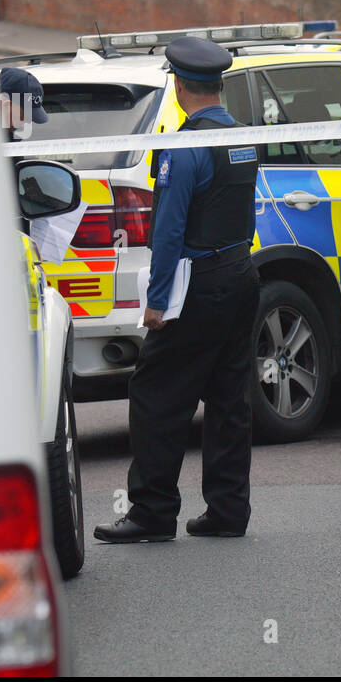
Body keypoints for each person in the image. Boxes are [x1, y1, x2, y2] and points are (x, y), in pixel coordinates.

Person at [93, 37, 260, 543]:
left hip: (199, 282)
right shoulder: (242, 139)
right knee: (230, 397)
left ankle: (152, 511)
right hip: (241, 272)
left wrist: (158, 301)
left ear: (180, 84)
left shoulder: (184, 147)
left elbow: (168, 230)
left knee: (156, 393)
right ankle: (228, 511)